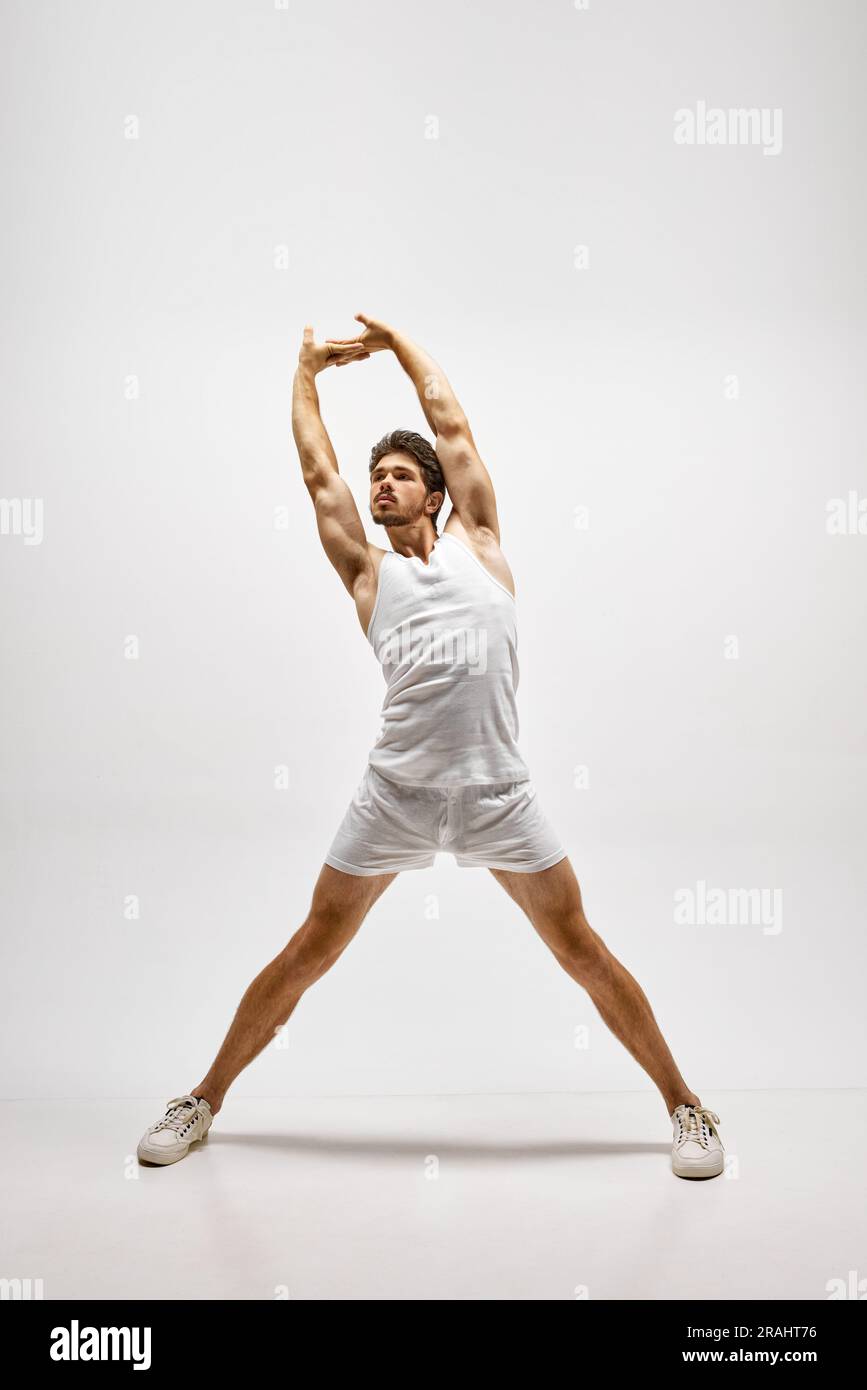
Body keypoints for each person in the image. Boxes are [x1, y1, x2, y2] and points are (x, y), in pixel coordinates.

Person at [137, 315, 725, 1180]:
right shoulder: (367, 573)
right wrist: (306, 371)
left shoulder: (479, 544)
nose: (380, 484)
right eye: (376, 475)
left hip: (497, 794)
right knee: (309, 950)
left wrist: (399, 343)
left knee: (580, 950)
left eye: (400, 475)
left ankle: (687, 1108)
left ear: (436, 496)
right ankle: (201, 1101)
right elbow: (316, 473)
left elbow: (449, 421)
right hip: (396, 796)